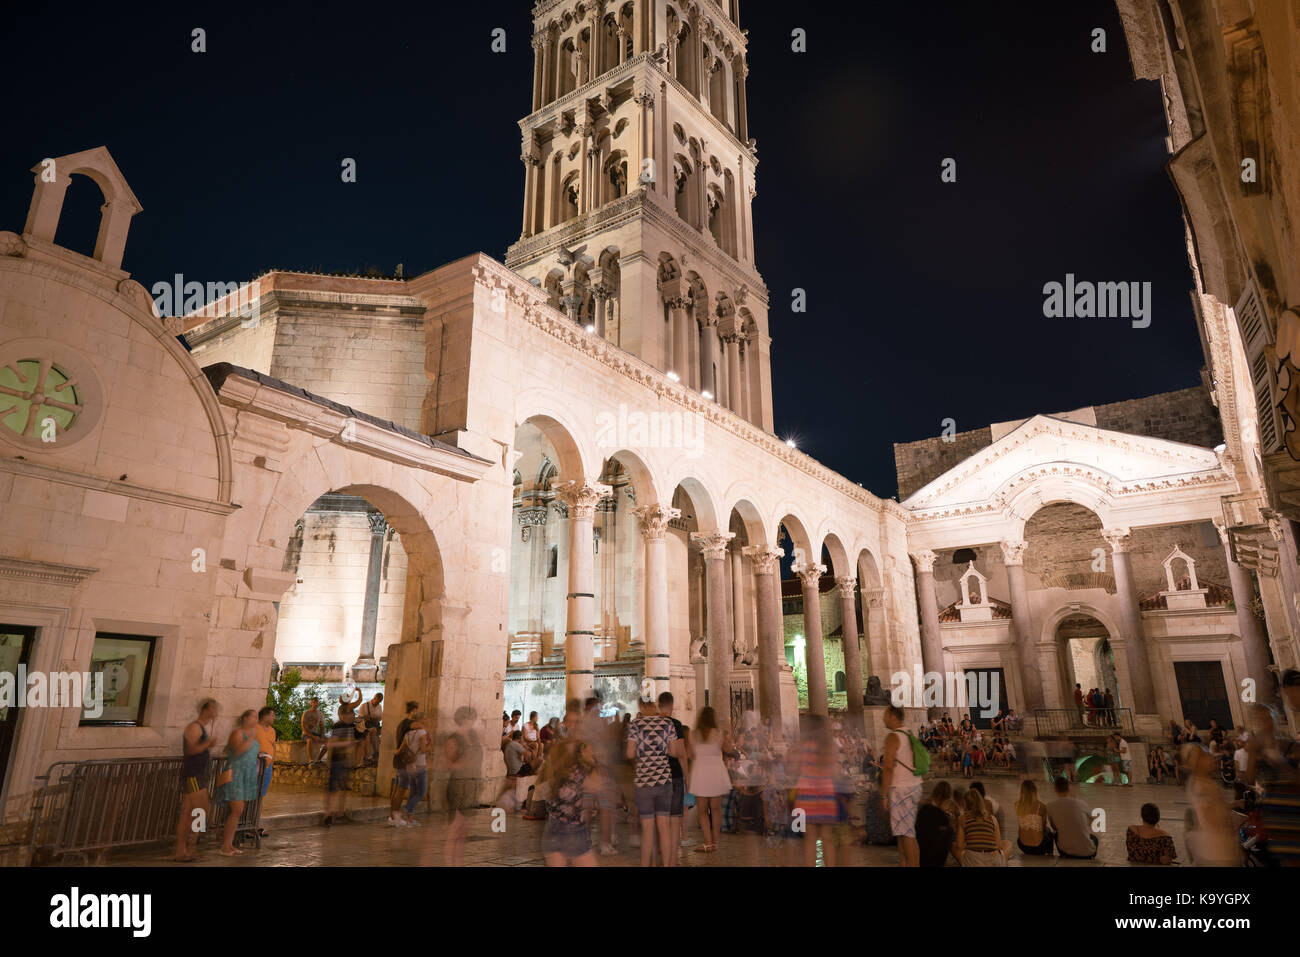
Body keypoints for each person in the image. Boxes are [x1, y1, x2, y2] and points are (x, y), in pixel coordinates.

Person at [625, 693, 682, 867]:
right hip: (664, 781)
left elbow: (629, 753)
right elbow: (673, 752)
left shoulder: (635, 725)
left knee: (648, 830)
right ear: (655, 705)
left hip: (644, 782)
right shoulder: (668, 724)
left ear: (641, 706)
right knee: (664, 828)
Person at [174, 698, 221, 862]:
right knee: (202, 811)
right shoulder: (194, 727)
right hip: (193, 775)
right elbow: (191, 749)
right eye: (213, 708)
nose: (216, 712)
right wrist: (208, 744)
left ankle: (187, 849)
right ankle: (187, 847)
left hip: (198, 774)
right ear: (205, 709)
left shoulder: (201, 728)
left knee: (189, 813)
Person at [540, 736, 599, 866]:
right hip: (574, 832)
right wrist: (593, 762)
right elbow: (597, 787)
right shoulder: (578, 773)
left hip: (552, 831)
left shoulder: (552, 774)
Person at [794, 715, 842, 867]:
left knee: (810, 840)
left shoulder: (804, 746)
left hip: (806, 795)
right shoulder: (829, 747)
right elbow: (836, 773)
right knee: (827, 839)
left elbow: (794, 768)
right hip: (826, 795)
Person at [687, 706, 733, 853]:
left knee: (702, 810)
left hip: (701, 770)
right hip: (715, 770)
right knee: (716, 809)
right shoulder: (719, 733)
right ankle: (714, 841)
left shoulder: (693, 734)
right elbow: (729, 750)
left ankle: (707, 842)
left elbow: (690, 754)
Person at [881, 705, 922, 867]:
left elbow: (888, 768)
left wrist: (884, 795)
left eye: (885, 715)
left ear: (892, 716)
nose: (883, 718)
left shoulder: (893, 737)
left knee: (906, 834)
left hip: (902, 789)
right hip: (914, 785)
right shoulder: (909, 733)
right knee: (903, 833)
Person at [440, 706, 481, 867]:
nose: (473, 721)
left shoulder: (473, 736)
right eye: (470, 717)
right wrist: (465, 763)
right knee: (455, 831)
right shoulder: (454, 739)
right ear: (463, 719)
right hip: (458, 786)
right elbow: (447, 766)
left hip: (472, 785)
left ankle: (458, 863)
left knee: (465, 832)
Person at [216, 709, 261, 856]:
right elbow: (236, 752)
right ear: (245, 718)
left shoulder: (253, 735)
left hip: (247, 775)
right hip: (236, 774)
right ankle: (225, 846)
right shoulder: (238, 733)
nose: (256, 719)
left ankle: (229, 844)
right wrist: (249, 740)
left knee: (238, 812)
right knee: (236, 810)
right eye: (253, 716)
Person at [657, 692, 689, 864]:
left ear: (658, 705)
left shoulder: (653, 724)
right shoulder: (675, 724)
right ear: (671, 705)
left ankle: (663, 859)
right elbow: (681, 753)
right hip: (675, 774)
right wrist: (687, 776)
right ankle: (672, 861)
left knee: (660, 822)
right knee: (675, 819)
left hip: (657, 775)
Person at [1045, 775, 1098, 859]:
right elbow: (1093, 820)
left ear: (1055, 789)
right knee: (1094, 838)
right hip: (1088, 852)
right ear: (1069, 787)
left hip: (1065, 851)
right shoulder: (1081, 803)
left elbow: (1054, 827)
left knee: (1056, 834)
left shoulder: (1050, 806)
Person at [955, 788, 1009, 866]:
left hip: (973, 861)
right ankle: (1002, 862)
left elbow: (959, 846)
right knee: (1008, 843)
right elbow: (998, 845)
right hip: (992, 860)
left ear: (965, 803)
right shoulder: (992, 818)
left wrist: (972, 843)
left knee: (953, 846)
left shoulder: (962, 818)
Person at [396, 712, 431, 827]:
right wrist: (430, 744)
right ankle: (403, 812)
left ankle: (410, 819)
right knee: (421, 793)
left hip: (410, 766)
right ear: (420, 720)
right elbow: (423, 749)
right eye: (425, 719)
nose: (427, 721)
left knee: (413, 792)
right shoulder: (422, 732)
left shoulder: (408, 734)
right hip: (420, 765)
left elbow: (400, 750)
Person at [916, 780, 956, 867]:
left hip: (920, 851)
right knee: (950, 831)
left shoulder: (924, 806)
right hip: (934, 855)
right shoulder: (941, 814)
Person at [254, 706, 276, 835]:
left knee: (260, 796)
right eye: (272, 715)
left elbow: (273, 745)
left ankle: (256, 824)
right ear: (265, 716)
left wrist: (272, 761)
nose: (274, 718)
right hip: (256, 765)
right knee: (252, 796)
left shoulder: (272, 730)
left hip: (267, 767)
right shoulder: (255, 728)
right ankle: (249, 824)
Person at [1014, 779, 1052, 855]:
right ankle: (1050, 853)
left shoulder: (1017, 805)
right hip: (1039, 847)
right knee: (1048, 831)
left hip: (1023, 845)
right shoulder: (1041, 806)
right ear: (1035, 791)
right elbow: (1043, 826)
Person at [358, 692, 383, 766]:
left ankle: (375, 754)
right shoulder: (364, 706)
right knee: (373, 732)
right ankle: (376, 753)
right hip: (365, 726)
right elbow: (360, 717)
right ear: (374, 698)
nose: (378, 703)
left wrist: (378, 718)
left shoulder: (379, 706)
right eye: (377, 701)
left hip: (375, 724)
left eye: (379, 702)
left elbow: (380, 717)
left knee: (377, 733)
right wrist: (366, 717)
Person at [301, 697, 326, 765]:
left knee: (328, 742)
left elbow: (322, 727)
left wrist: (322, 736)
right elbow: (303, 728)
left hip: (316, 733)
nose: (316, 704)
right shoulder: (306, 713)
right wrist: (313, 737)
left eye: (317, 702)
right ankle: (310, 760)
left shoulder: (320, 714)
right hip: (306, 734)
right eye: (314, 702)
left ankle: (318, 760)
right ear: (311, 703)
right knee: (310, 741)